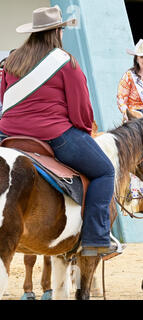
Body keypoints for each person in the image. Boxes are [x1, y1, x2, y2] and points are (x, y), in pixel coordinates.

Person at [0, 6, 118, 257]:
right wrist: (85, 131)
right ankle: (96, 239)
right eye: (62, 29)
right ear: (56, 32)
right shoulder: (67, 63)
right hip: (53, 135)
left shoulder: (11, 60)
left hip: (7, 135)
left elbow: (3, 100)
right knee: (105, 171)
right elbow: (81, 111)